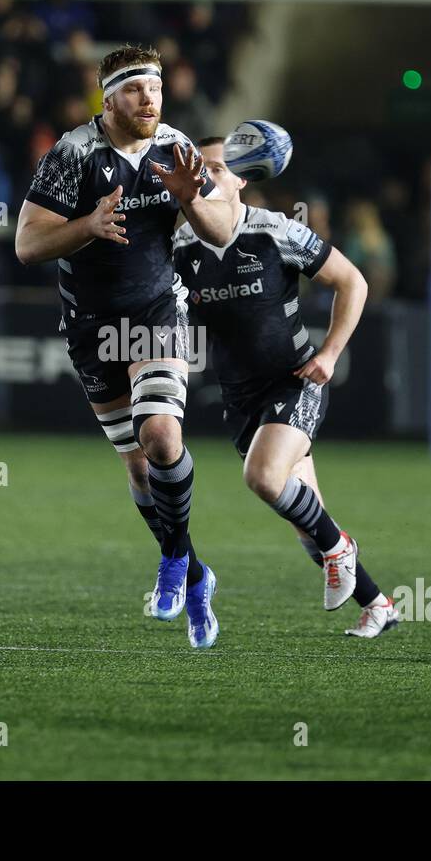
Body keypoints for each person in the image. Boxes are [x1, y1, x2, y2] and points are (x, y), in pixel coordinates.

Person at [15, 44, 234, 649]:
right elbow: (27, 245)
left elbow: (219, 234)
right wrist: (87, 226)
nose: (150, 100)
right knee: (138, 468)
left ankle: (171, 562)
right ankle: (193, 573)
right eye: (136, 90)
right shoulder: (73, 152)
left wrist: (193, 198)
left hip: (156, 313)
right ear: (108, 97)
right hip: (91, 327)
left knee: (161, 437)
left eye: (156, 89)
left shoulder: (175, 148)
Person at [173, 139, 400, 637]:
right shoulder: (181, 247)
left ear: (240, 180)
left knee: (264, 478)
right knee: (305, 522)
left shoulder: (275, 230)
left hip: (293, 379)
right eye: (199, 167)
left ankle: (341, 548)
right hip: (238, 397)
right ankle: (378, 605)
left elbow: (353, 282)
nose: (206, 176)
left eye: (217, 168)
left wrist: (331, 353)